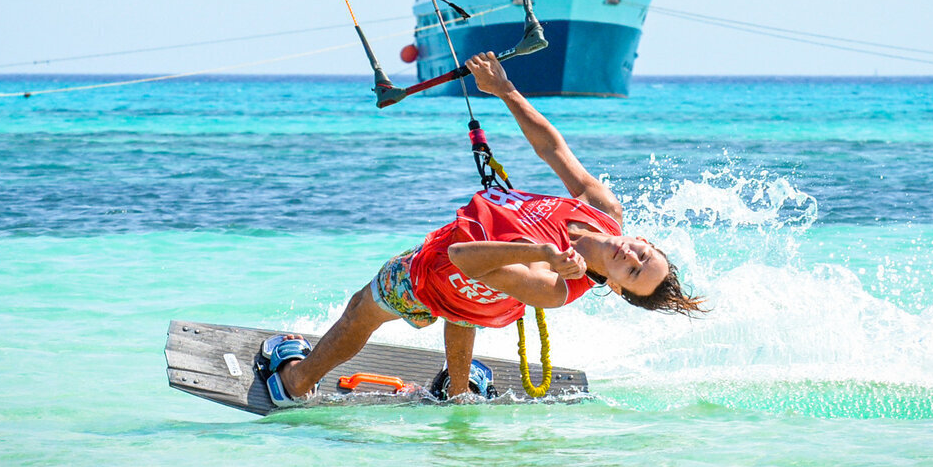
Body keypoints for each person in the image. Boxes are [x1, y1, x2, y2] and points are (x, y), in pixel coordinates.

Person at [261, 51, 704, 405]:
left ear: (618, 288)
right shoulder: (604, 209)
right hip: (482, 301)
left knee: (364, 309)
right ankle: (457, 392)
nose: (630, 258)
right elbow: (552, 147)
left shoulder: (554, 286)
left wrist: (541, 254)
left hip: (439, 273)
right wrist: (504, 89)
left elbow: (464, 259)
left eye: (631, 272)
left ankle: (294, 384)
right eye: (642, 255)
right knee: (464, 309)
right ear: (643, 240)